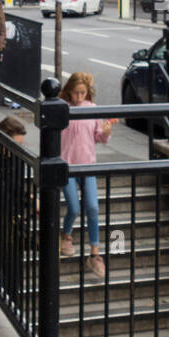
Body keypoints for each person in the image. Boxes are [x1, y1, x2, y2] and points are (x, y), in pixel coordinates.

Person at [59, 72, 114, 279]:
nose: (80, 97)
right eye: (76, 93)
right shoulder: (62, 107)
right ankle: (65, 235)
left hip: (88, 164)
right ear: (69, 91)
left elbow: (98, 136)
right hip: (67, 165)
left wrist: (106, 133)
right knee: (73, 206)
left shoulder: (92, 109)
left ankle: (95, 253)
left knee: (92, 207)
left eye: (83, 93)